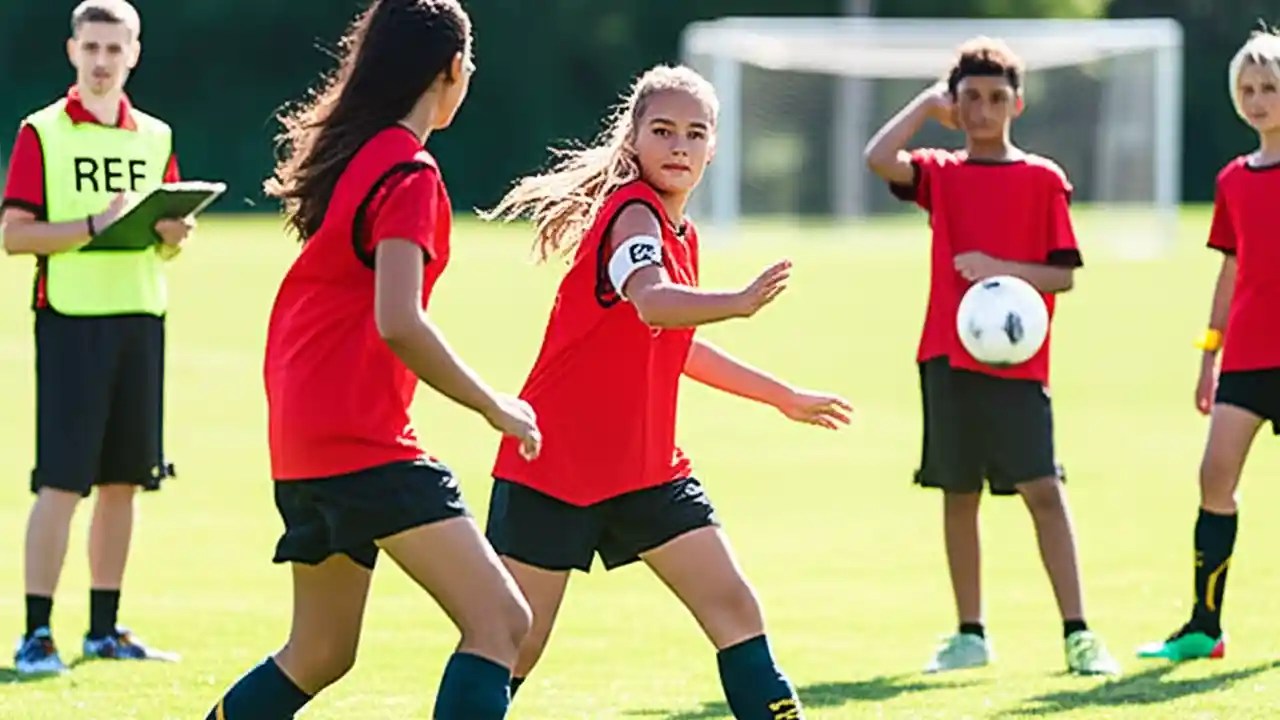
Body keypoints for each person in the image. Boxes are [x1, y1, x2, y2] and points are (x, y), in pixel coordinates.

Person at [478, 63, 852, 719]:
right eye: (663, 130)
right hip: (556, 464)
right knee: (514, 644)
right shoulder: (632, 217)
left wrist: (781, 396)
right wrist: (735, 302)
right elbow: (653, 303)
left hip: (645, 470)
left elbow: (674, 344)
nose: (679, 146)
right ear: (634, 142)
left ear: (713, 149)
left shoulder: (683, 234)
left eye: (694, 133)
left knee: (734, 608)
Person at [201, 1, 540, 718]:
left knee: (321, 652)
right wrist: (493, 405)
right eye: (468, 65)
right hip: (357, 440)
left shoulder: (360, 154)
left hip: (302, 434)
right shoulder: (409, 173)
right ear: (452, 70)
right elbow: (399, 321)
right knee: (502, 623)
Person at [863, 37, 1120, 676]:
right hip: (947, 358)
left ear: (1017, 104)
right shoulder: (942, 175)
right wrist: (926, 103)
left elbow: (1062, 277)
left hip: (1018, 365)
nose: (983, 110)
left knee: (1044, 491)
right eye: (970, 98)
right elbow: (877, 157)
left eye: (996, 98)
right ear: (956, 103)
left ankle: (1079, 633)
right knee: (958, 492)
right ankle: (970, 634)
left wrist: (998, 270)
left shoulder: (1042, 179)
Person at [1, 0, 192, 676]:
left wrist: (172, 240)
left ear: (134, 52)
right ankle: (36, 635)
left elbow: (158, 234)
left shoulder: (156, 136)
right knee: (61, 484)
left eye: (116, 49)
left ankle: (104, 630)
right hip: (71, 324)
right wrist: (91, 227)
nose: (104, 61)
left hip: (141, 318)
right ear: (72, 51)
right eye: (92, 48)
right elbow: (14, 235)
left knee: (124, 484)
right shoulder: (43, 132)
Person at [1137, 29, 1280, 663]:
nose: (1258, 100)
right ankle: (1205, 626)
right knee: (1213, 477)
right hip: (1246, 356)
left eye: (1270, 88)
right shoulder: (1232, 180)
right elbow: (1230, 270)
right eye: (1248, 90)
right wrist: (1208, 353)